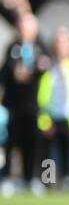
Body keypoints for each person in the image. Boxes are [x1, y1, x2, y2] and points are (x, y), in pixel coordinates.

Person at [0, 11, 47, 191]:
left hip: (33, 105)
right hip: (13, 105)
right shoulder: (13, 47)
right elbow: (10, 72)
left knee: (31, 144)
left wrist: (29, 72)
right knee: (11, 142)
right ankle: (7, 179)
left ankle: (30, 178)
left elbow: (41, 68)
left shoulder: (40, 47)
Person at [36, 26, 69, 185]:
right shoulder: (47, 67)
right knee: (50, 153)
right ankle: (47, 183)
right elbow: (42, 95)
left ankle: (68, 182)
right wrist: (44, 119)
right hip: (51, 116)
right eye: (58, 42)